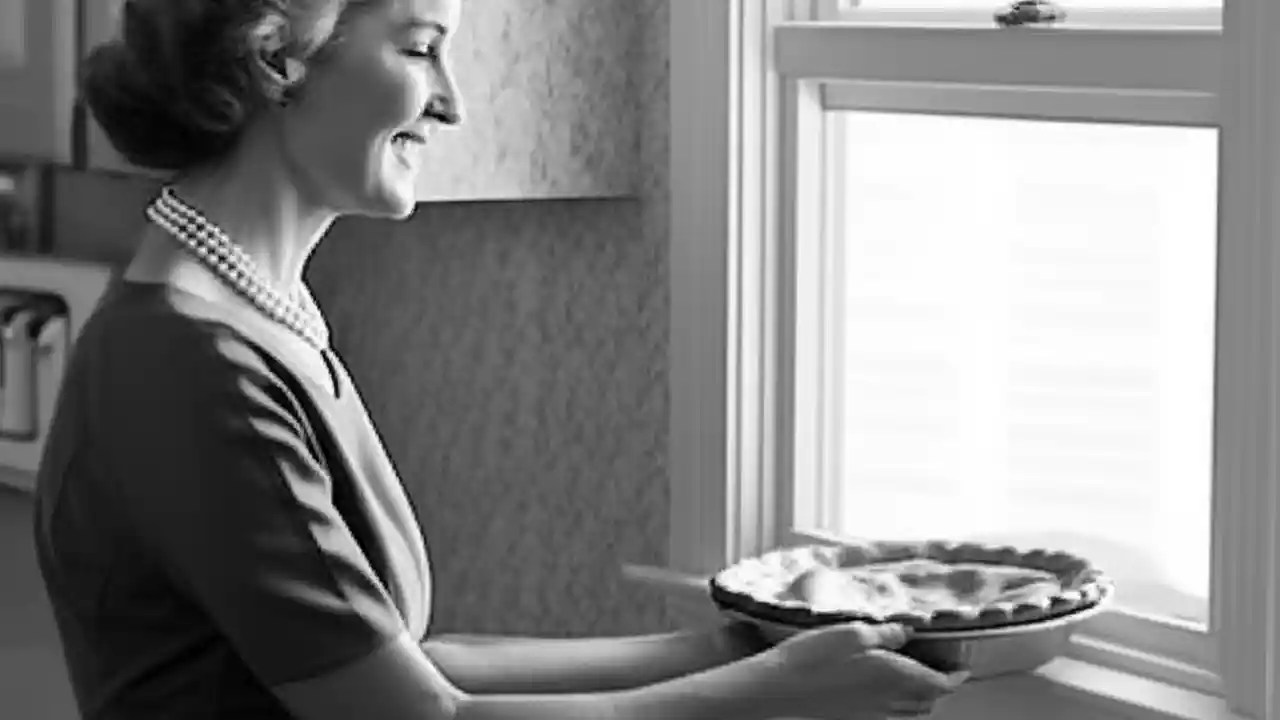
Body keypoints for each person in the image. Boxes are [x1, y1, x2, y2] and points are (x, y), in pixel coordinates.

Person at [31, 0, 970, 718]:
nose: (452, 102)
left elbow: (410, 658)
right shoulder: (189, 369)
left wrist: (740, 647)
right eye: (419, 46)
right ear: (278, 57)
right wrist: (772, 694)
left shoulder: (256, 318)